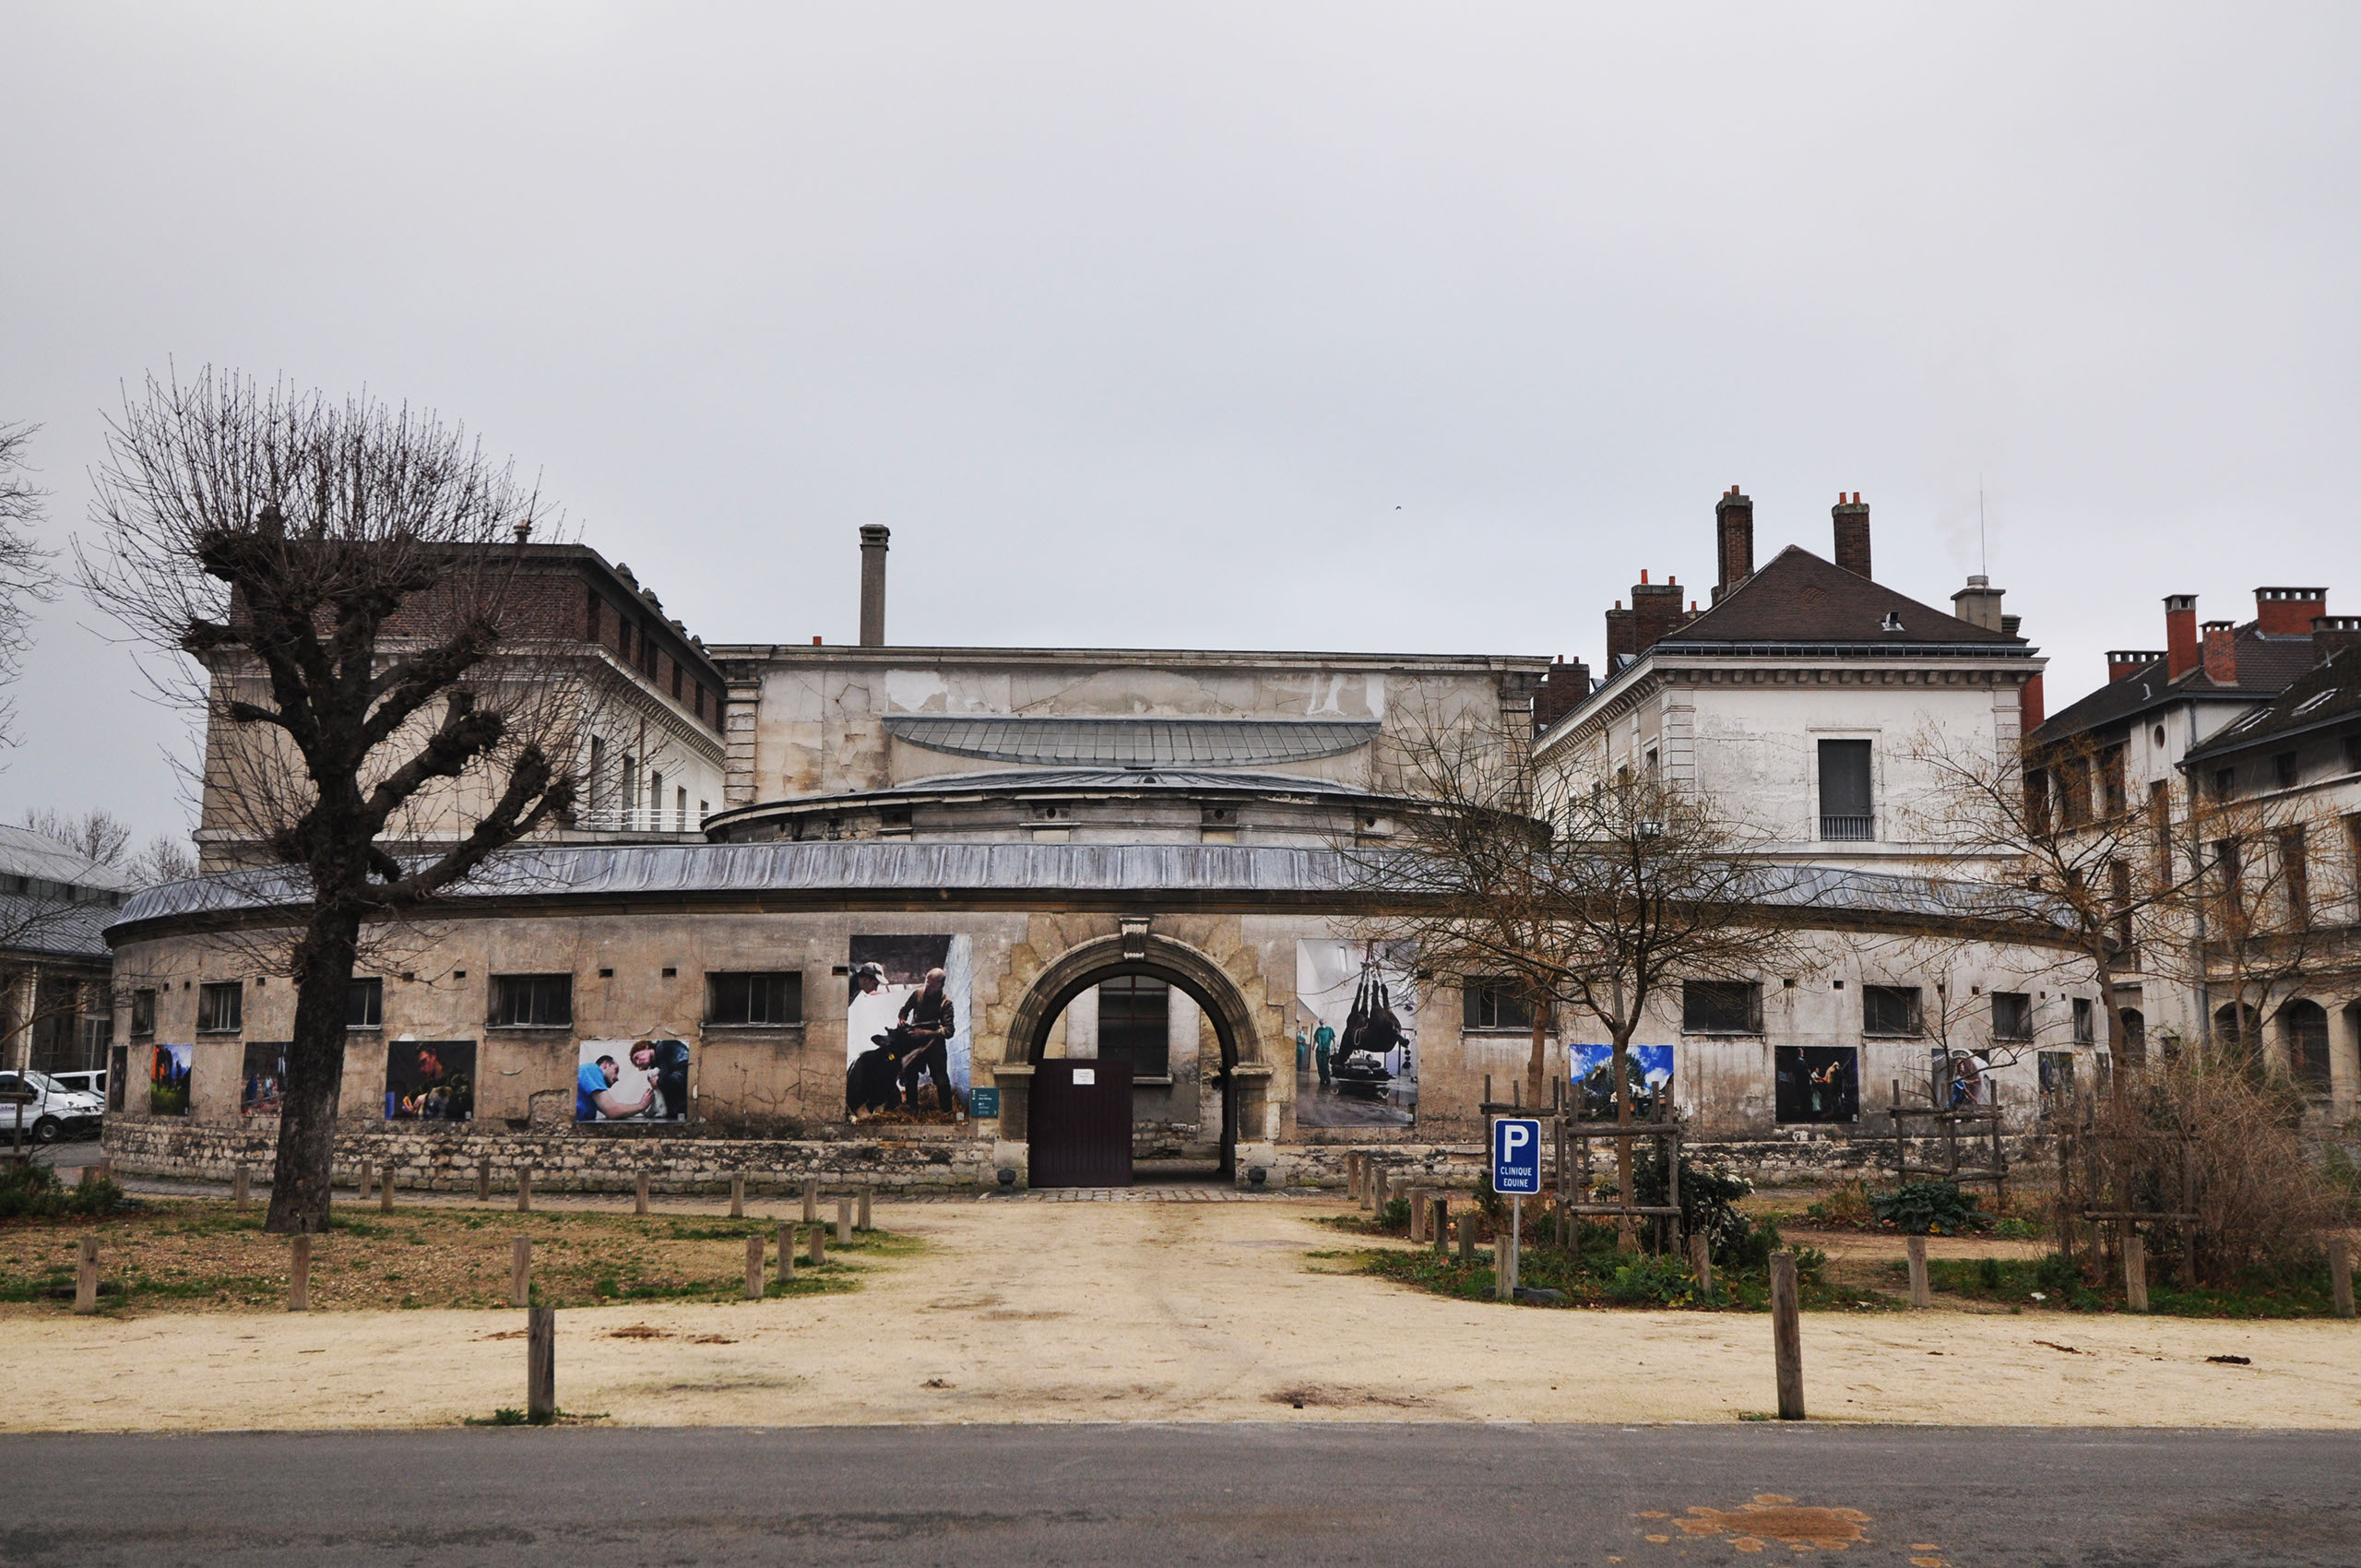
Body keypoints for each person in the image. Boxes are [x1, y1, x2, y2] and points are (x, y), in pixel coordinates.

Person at [896, 968, 958, 1113]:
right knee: (910, 1074)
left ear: (940, 985)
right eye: (926, 982)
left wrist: (925, 1033)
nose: (927, 986)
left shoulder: (946, 1003)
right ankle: (912, 1109)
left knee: (941, 1079)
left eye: (931, 985)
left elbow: (949, 1031)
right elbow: (904, 1009)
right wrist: (902, 1019)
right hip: (914, 1040)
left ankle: (947, 1112)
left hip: (934, 1042)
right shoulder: (917, 994)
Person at [576, 1053, 653, 1121]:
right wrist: (642, 1105)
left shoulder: (592, 1090)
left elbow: (617, 1111)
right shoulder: (592, 1069)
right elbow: (613, 1111)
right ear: (605, 1065)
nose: (617, 1078)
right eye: (616, 1070)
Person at [633, 1039, 692, 1120]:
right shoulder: (658, 1062)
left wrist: (658, 1082)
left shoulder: (665, 1047)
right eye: (637, 1064)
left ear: (645, 1046)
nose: (638, 1062)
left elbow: (685, 1074)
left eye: (637, 1057)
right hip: (678, 1114)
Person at [1313, 1020, 1335, 1086]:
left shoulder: (1329, 1029)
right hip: (1319, 1050)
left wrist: (1334, 1046)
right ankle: (1322, 1079)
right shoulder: (1318, 1030)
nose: (1322, 1024)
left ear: (1325, 1022)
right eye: (1321, 1023)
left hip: (1326, 1050)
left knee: (1325, 1065)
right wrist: (1313, 1046)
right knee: (1319, 1064)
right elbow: (1315, 1039)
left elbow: (1334, 1038)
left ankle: (1327, 1078)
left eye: (1323, 1023)